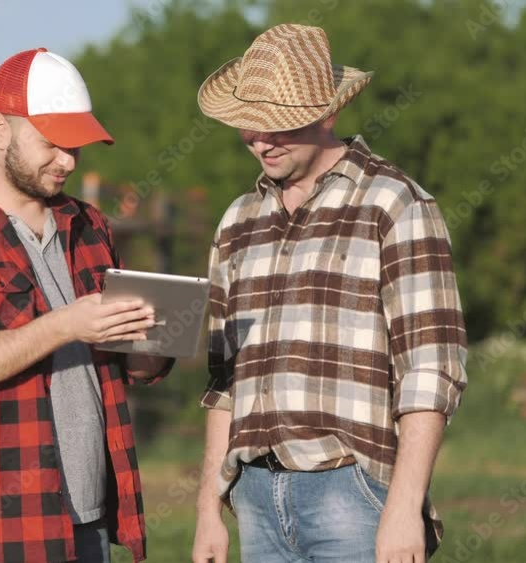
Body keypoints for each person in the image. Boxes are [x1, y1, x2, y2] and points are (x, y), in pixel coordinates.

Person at [190, 24, 468, 563]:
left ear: (328, 115)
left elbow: (431, 369)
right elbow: (224, 382)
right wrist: (208, 511)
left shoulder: (394, 204)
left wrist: (404, 506)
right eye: (249, 125)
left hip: (354, 496)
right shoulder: (237, 222)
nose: (259, 140)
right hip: (252, 496)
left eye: (279, 126)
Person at [0, 48, 174, 563]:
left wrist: (159, 334)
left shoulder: (90, 227)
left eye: (77, 147)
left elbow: (134, 367)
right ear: (0, 131)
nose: (68, 161)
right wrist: (67, 323)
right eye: (53, 143)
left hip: (86, 521)